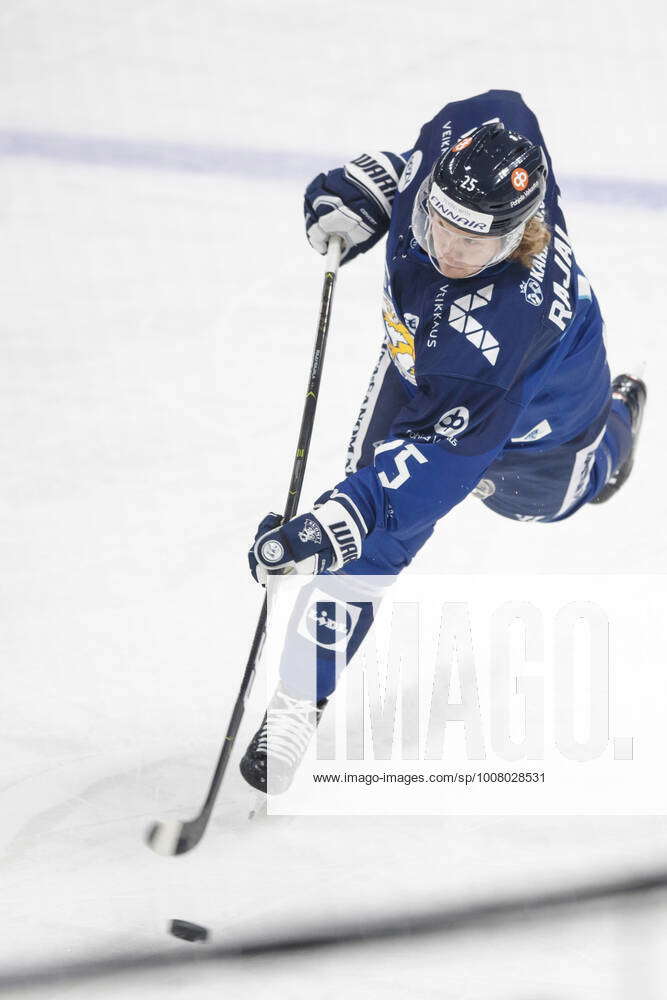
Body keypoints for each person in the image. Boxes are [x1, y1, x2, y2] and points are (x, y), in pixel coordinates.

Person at [239, 89, 646, 793]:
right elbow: (432, 155)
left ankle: (613, 434)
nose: (451, 249)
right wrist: (371, 188)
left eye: (474, 240)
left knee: (545, 503)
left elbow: (429, 472)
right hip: (426, 366)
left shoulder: (496, 339)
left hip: (532, 423)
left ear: (517, 234)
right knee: (368, 545)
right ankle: (301, 697)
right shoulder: (485, 133)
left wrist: (328, 524)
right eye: (442, 222)